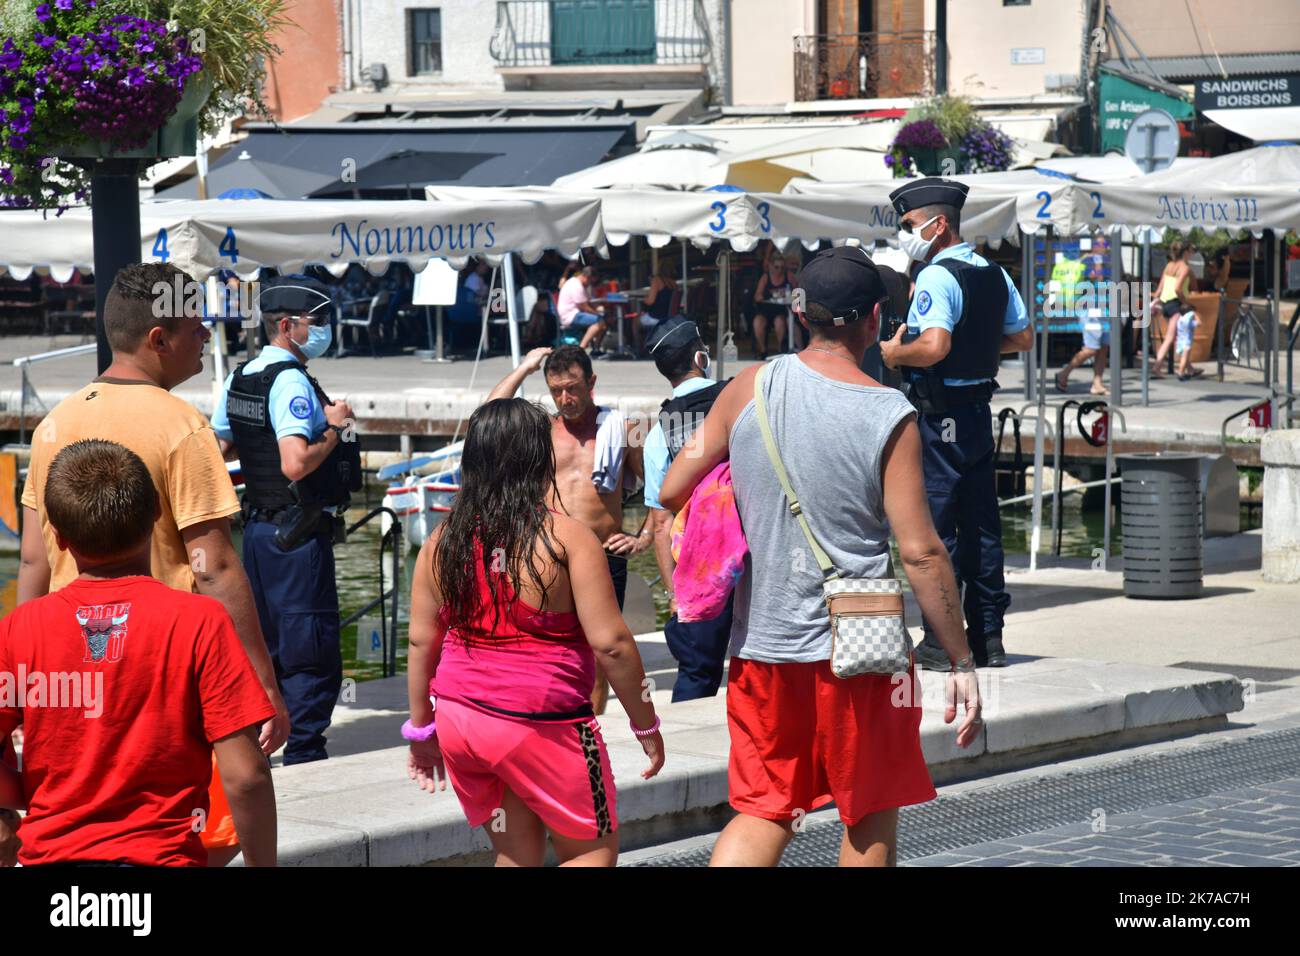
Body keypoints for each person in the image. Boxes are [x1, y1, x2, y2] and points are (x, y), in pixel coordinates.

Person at [660, 246, 982, 867]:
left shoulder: (746, 387)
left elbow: (674, 487)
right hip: (863, 649)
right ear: (877, 318)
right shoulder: (889, 412)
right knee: (869, 808)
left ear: (800, 314)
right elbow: (920, 552)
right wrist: (961, 659)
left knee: (765, 809)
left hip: (762, 648)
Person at [15, 261, 288, 866]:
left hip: (69, 677)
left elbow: (34, 560)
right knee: (192, 832)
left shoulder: (54, 424)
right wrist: (262, 683)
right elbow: (214, 566)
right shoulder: (182, 427)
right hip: (165, 671)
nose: (207, 336)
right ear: (158, 338)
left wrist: (24, 669)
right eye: (196, 326)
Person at [405, 399, 664, 866]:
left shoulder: (440, 542)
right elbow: (611, 644)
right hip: (543, 723)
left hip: (462, 723)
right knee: (591, 851)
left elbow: (423, 641)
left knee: (515, 852)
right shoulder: (568, 538)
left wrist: (422, 730)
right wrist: (645, 723)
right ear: (539, 457)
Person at [0, 439, 277, 866]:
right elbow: (247, 776)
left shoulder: (21, 627)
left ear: (57, 536)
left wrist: (25, 795)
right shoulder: (199, 622)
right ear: (158, 515)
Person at [879, 178, 1034, 671]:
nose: (906, 234)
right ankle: (988, 636)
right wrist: (976, 346)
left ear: (938, 224)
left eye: (910, 224)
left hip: (939, 417)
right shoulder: (995, 272)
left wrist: (893, 354)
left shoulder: (936, 275)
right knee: (982, 527)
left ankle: (939, 641)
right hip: (976, 415)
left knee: (937, 528)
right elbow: (1022, 338)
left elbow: (934, 346)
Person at [212, 276, 362, 765]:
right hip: (297, 535)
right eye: (317, 321)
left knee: (266, 640)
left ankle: (262, 742)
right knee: (308, 644)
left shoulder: (241, 376)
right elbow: (295, 463)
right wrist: (336, 428)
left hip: (257, 532)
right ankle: (304, 751)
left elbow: (219, 446)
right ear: (286, 326)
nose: (324, 329)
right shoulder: (291, 380)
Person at [487, 345, 649, 714]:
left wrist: (643, 537)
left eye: (573, 388)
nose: (565, 399)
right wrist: (525, 367)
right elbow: (491, 414)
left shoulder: (625, 430)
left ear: (591, 382)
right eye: (556, 390)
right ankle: (548, 720)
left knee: (600, 651)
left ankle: (590, 731)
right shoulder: (542, 429)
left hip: (603, 555)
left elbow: (660, 490)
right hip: (548, 552)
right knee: (542, 642)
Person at [642, 318, 733, 701]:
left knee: (697, 673)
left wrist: (676, 594)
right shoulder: (737, 402)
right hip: (759, 556)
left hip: (702, 567)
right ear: (701, 358)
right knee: (767, 666)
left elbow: (661, 524)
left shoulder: (658, 434)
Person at [1150, 241, 1203, 378]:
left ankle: (1189, 368)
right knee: (1170, 337)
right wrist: (1186, 304)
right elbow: (1178, 288)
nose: (1191, 255)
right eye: (1190, 252)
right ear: (1185, 253)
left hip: (1165, 302)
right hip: (1176, 303)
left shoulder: (1169, 265)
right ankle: (1156, 367)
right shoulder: (1184, 268)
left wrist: (1155, 301)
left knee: (1179, 335)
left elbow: (1160, 288)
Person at [751, 252, 797, 359]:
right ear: (770, 266)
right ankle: (763, 350)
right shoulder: (765, 277)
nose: (779, 270)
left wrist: (791, 297)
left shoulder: (788, 276)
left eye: (782, 267)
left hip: (781, 310)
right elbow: (757, 295)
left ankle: (781, 349)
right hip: (766, 310)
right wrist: (761, 297)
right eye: (776, 267)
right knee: (758, 322)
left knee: (779, 322)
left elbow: (797, 291)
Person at [557, 266, 607, 351]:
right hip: (570, 316)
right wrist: (597, 313)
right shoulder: (576, 285)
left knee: (603, 322)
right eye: (591, 281)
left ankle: (596, 349)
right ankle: (582, 348)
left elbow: (589, 301)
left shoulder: (580, 284)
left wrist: (598, 309)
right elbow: (584, 307)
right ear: (587, 277)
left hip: (574, 314)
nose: (590, 284)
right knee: (599, 322)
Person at [635, 259, 680, 355]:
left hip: (656, 317)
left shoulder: (657, 280)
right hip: (669, 318)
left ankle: (638, 349)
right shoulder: (674, 284)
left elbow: (650, 301)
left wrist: (643, 299)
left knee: (635, 321)